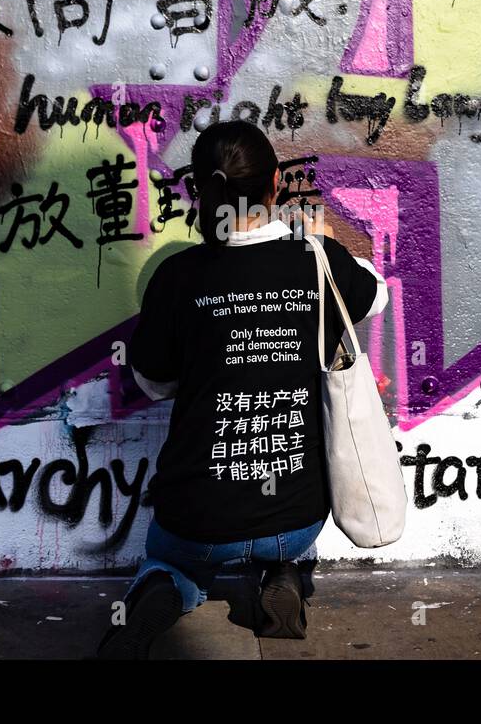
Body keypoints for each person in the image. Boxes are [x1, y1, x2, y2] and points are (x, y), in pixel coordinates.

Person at [95, 120, 388, 659]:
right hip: (295, 519)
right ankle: (283, 575)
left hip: (196, 519)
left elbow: (153, 382)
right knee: (286, 544)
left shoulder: (177, 276)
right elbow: (377, 297)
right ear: (275, 184)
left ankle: (166, 589)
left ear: (200, 191)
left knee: (171, 562)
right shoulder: (318, 259)